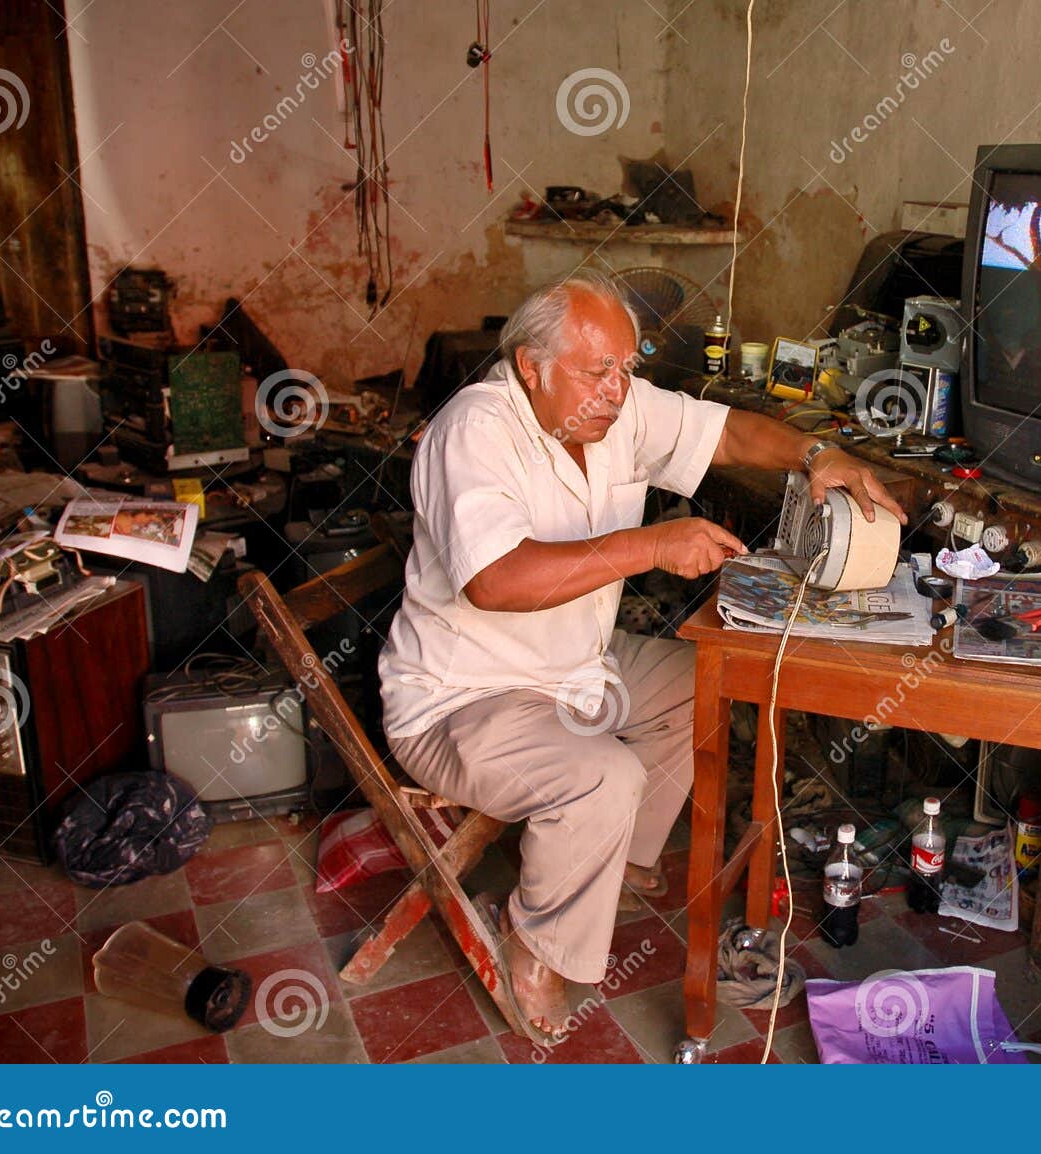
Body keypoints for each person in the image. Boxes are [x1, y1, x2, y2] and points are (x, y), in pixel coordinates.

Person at [379, 271, 904, 1038]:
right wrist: (651, 545)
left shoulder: (611, 406)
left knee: (704, 682)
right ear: (530, 365)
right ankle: (537, 942)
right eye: (597, 371)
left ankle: (618, 863)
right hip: (462, 697)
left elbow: (725, 432)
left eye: (628, 367)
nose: (617, 390)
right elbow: (494, 583)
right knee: (603, 777)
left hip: (574, 669)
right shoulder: (476, 432)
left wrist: (816, 454)